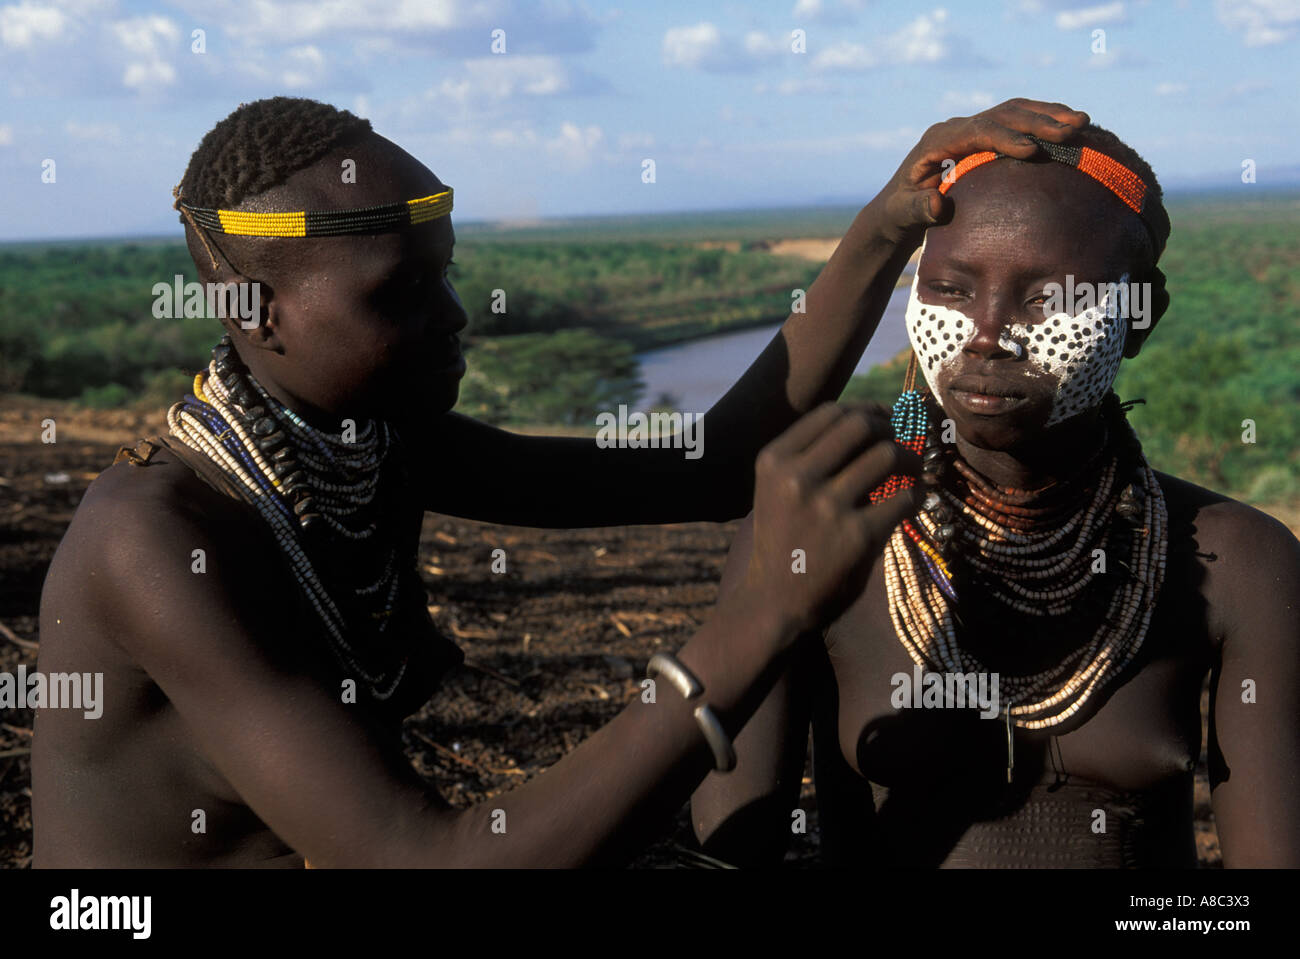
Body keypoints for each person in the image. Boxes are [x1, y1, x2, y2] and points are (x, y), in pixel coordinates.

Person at [32, 96, 1090, 867]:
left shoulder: (371, 441)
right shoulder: (156, 539)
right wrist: (756, 616)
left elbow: (713, 464)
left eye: (444, 271)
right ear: (257, 309)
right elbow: (421, 863)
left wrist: (885, 224)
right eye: (401, 292)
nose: (452, 317)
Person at [691, 120, 1300, 869]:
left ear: (1141, 314)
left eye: (1045, 299)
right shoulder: (818, 526)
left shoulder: (1242, 564)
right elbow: (729, 857)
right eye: (948, 288)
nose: (986, 334)